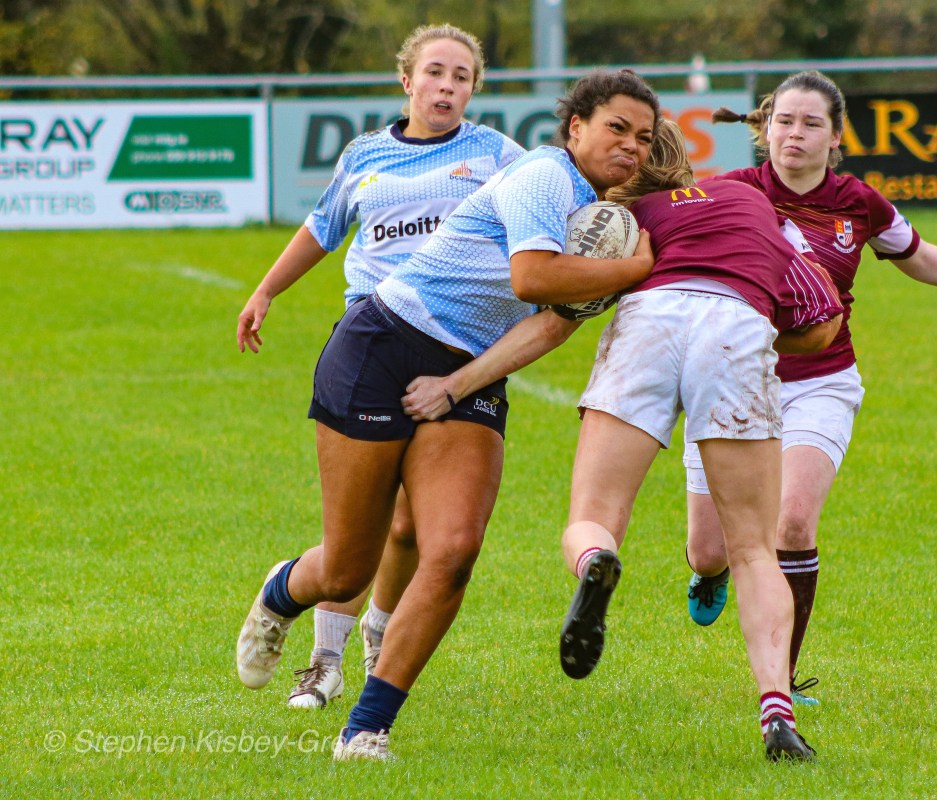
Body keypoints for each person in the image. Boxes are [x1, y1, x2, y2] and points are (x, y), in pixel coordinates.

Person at [235, 68, 661, 763]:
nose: (631, 146)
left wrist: (456, 385)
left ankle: (365, 730)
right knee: (346, 571)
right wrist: (633, 271)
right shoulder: (546, 178)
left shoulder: (604, 223)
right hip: (383, 343)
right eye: (617, 127)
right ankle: (283, 592)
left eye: (644, 138)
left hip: (463, 372)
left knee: (455, 550)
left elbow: (551, 325)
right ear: (575, 126)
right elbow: (533, 279)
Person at [682, 70, 937, 706]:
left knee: (793, 522)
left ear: (836, 138)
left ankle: (781, 679)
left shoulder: (858, 203)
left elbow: (916, 253)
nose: (795, 134)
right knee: (705, 551)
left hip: (821, 382)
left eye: (812, 124)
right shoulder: (728, 193)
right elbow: (660, 234)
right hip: (730, 384)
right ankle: (714, 572)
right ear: (765, 127)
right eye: (784, 120)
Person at [235, 24, 526, 711]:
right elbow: (321, 227)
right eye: (435, 73)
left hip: (461, 352)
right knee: (361, 537)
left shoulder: (499, 157)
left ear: (474, 89)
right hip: (375, 341)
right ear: (407, 81)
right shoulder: (365, 154)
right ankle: (323, 659)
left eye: (461, 76)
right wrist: (266, 289)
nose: (446, 86)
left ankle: (375, 637)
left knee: (412, 528)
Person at [552, 120, 844, 762]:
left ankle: (596, 563)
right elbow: (823, 319)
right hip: (737, 326)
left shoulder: (627, 219)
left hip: (651, 319)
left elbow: (568, 297)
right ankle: (776, 713)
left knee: (593, 519)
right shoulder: (747, 201)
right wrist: (763, 333)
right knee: (752, 551)